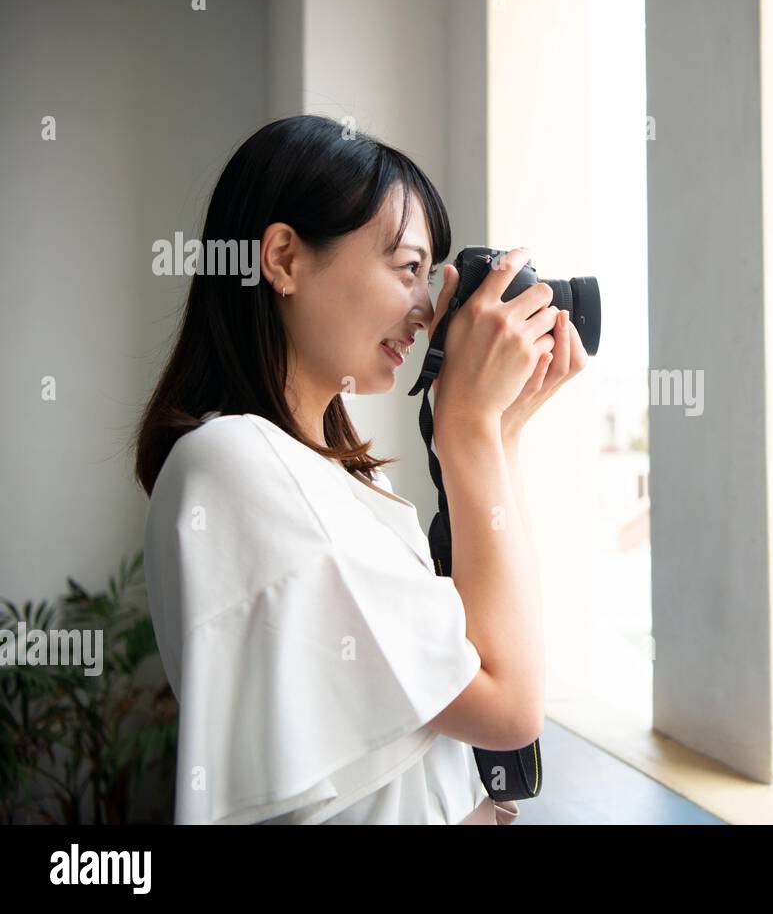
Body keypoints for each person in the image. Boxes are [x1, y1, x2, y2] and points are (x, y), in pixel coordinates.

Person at [133, 115, 586, 824]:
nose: (426, 310)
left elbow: (481, 654)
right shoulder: (231, 461)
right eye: (407, 268)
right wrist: (465, 426)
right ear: (282, 258)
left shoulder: (336, 477)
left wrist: (502, 431)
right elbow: (509, 705)